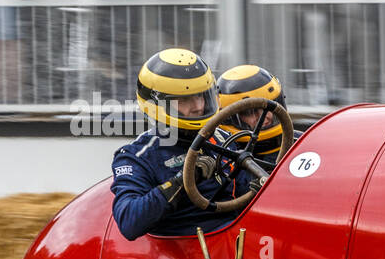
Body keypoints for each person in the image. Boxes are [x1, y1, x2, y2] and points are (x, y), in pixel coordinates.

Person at [111, 49, 244, 240]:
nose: (198, 106)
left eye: (201, 96)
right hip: (186, 253)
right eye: (185, 100)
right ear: (157, 105)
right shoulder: (136, 156)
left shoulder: (225, 138)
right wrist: (184, 180)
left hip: (240, 239)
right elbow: (129, 221)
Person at [214, 65, 302, 169]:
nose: (266, 116)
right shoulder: (219, 157)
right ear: (228, 118)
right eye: (250, 112)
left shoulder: (303, 143)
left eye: (271, 106)